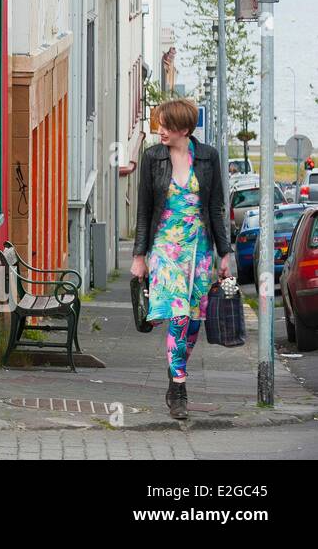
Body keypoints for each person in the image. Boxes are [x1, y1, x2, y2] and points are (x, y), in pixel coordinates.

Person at [131, 98, 232, 420]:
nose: (160, 130)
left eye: (166, 126)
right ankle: (179, 388)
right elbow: (145, 210)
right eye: (159, 124)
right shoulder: (152, 158)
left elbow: (215, 207)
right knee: (177, 317)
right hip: (165, 250)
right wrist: (139, 256)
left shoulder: (207, 157)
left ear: (183, 129)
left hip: (199, 252)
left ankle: (176, 375)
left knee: (194, 322)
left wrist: (224, 253)